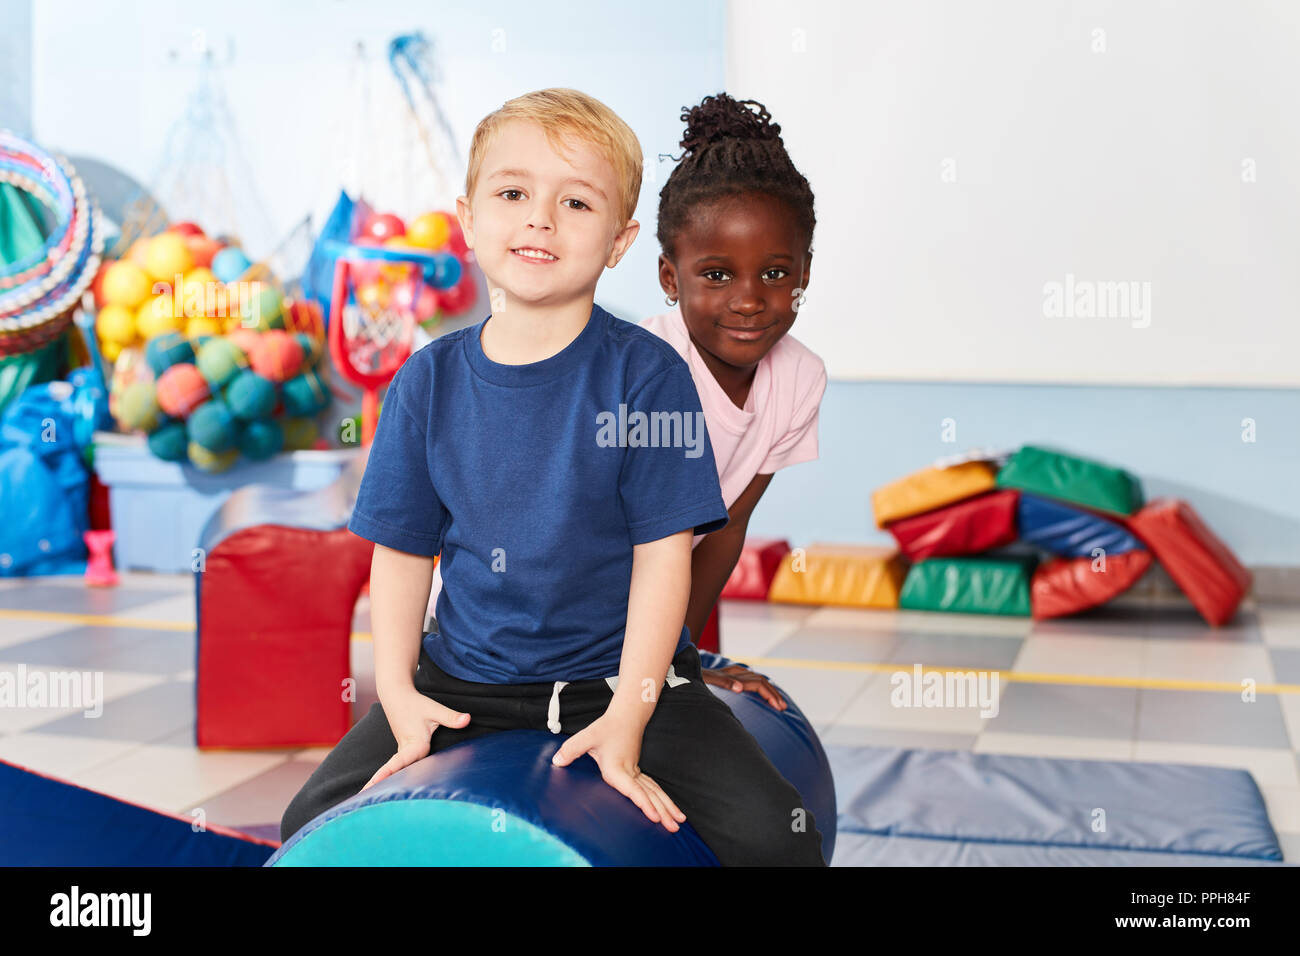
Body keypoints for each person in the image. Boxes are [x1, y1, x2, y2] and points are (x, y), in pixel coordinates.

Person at [279, 88, 826, 866]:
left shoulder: (648, 375)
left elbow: (664, 557)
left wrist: (633, 713)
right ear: (468, 218)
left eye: (574, 202)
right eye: (512, 194)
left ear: (619, 241)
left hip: (626, 682)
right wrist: (399, 693)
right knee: (311, 819)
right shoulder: (425, 382)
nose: (539, 218)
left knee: (778, 837)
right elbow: (401, 554)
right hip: (468, 684)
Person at [642, 93, 827, 711]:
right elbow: (575, 532)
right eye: (717, 275)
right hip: (537, 607)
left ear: (803, 272)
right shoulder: (637, 366)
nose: (749, 300)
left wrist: (678, 661)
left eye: (774, 274)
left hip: (644, 621)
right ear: (672, 278)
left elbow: (725, 529)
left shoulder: (799, 378)